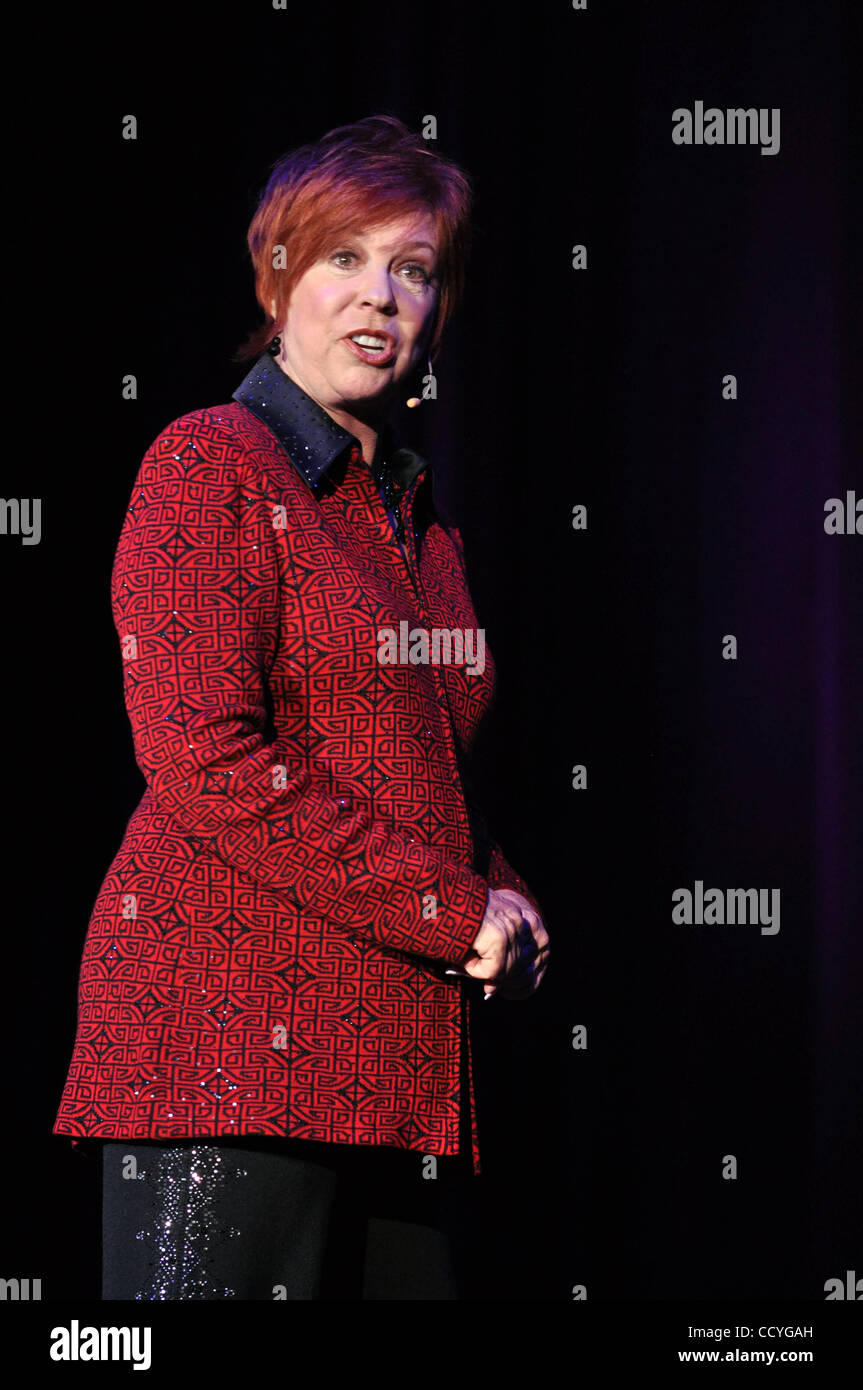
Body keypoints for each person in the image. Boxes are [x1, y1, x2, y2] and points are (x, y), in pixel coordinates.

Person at [53, 114, 549, 1300]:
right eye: (342, 256)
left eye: (412, 268)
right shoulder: (208, 462)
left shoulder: (425, 530)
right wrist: (451, 905)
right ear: (276, 276)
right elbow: (205, 757)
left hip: (400, 1072)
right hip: (225, 1054)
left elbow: (413, 766)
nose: (378, 293)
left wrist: (505, 891)